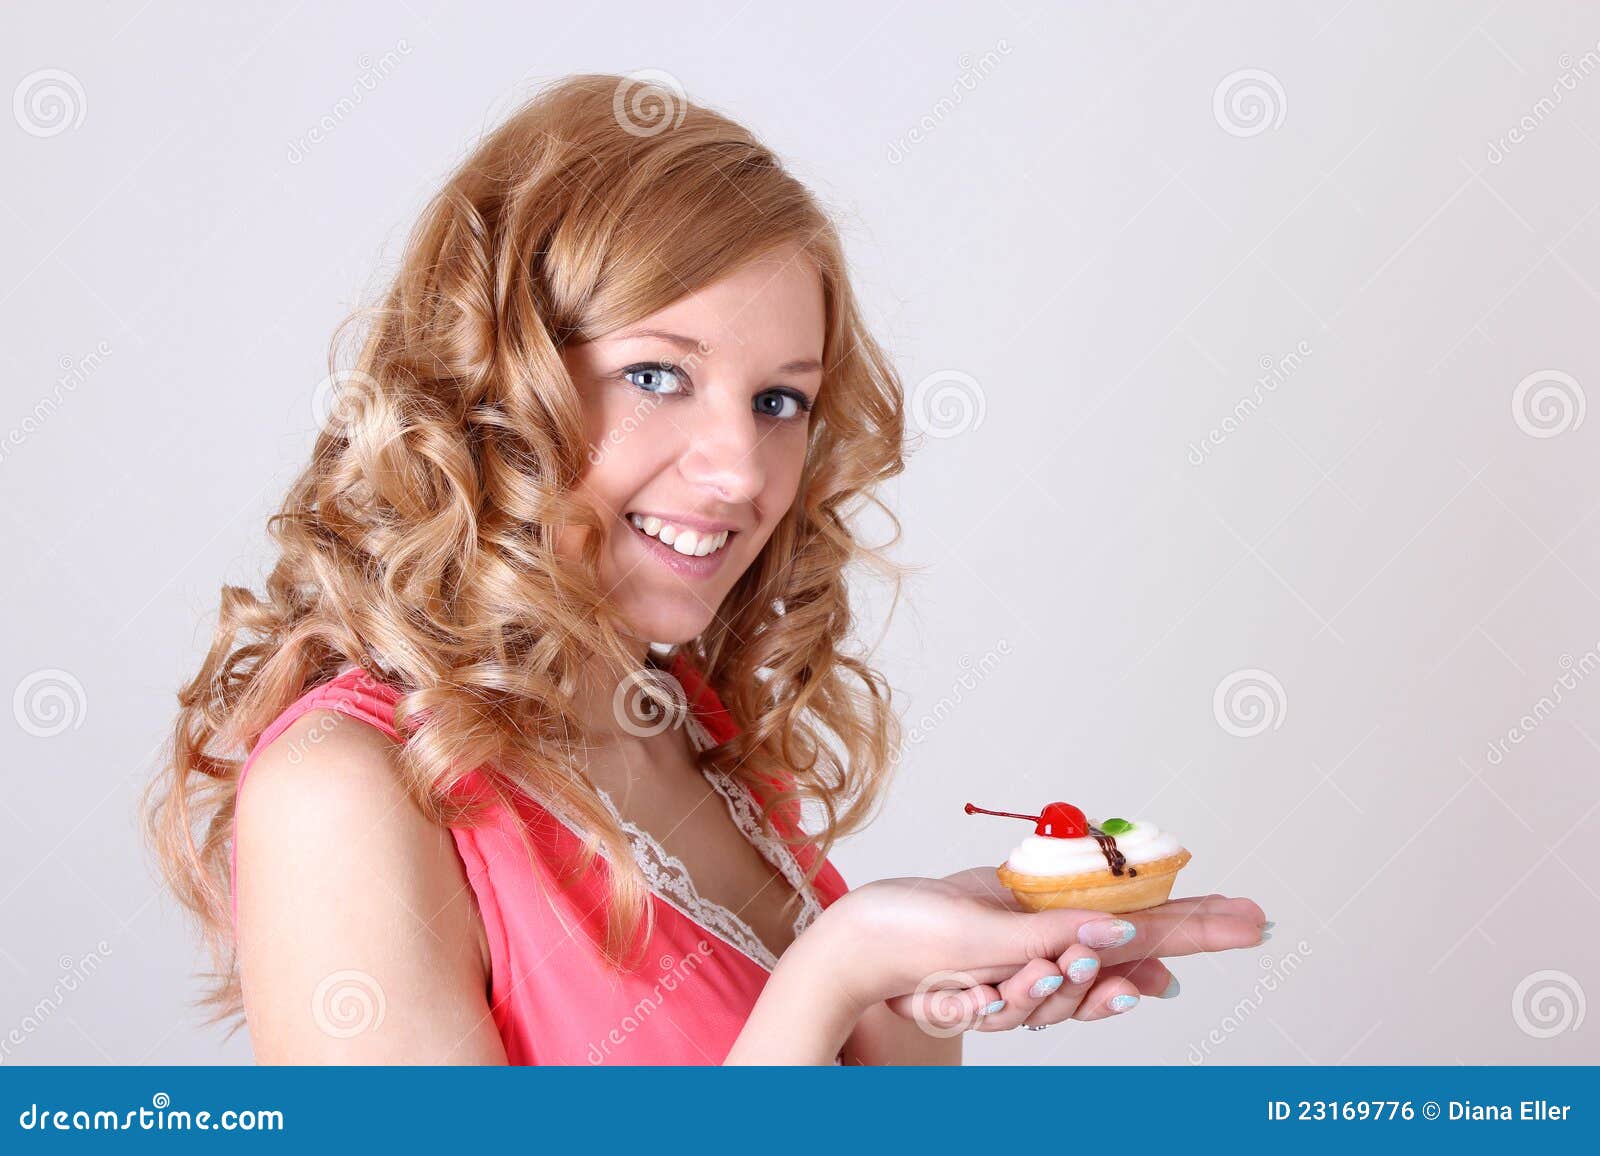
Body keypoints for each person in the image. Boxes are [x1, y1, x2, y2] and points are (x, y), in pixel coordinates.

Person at [144, 72, 1267, 1065]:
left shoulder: (688, 730)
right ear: (495, 386)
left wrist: (906, 995)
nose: (741, 471)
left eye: (780, 400)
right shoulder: (345, 789)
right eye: (658, 375)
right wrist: (833, 968)